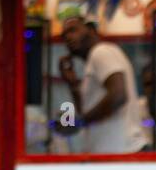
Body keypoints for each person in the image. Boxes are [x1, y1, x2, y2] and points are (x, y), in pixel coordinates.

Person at [58, 15, 146, 154]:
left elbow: (118, 96)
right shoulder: (94, 60)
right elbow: (87, 112)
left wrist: (81, 122)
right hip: (113, 153)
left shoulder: (101, 52)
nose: (68, 37)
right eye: (64, 35)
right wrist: (72, 83)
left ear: (91, 30)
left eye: (73, 30)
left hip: (121, 153)